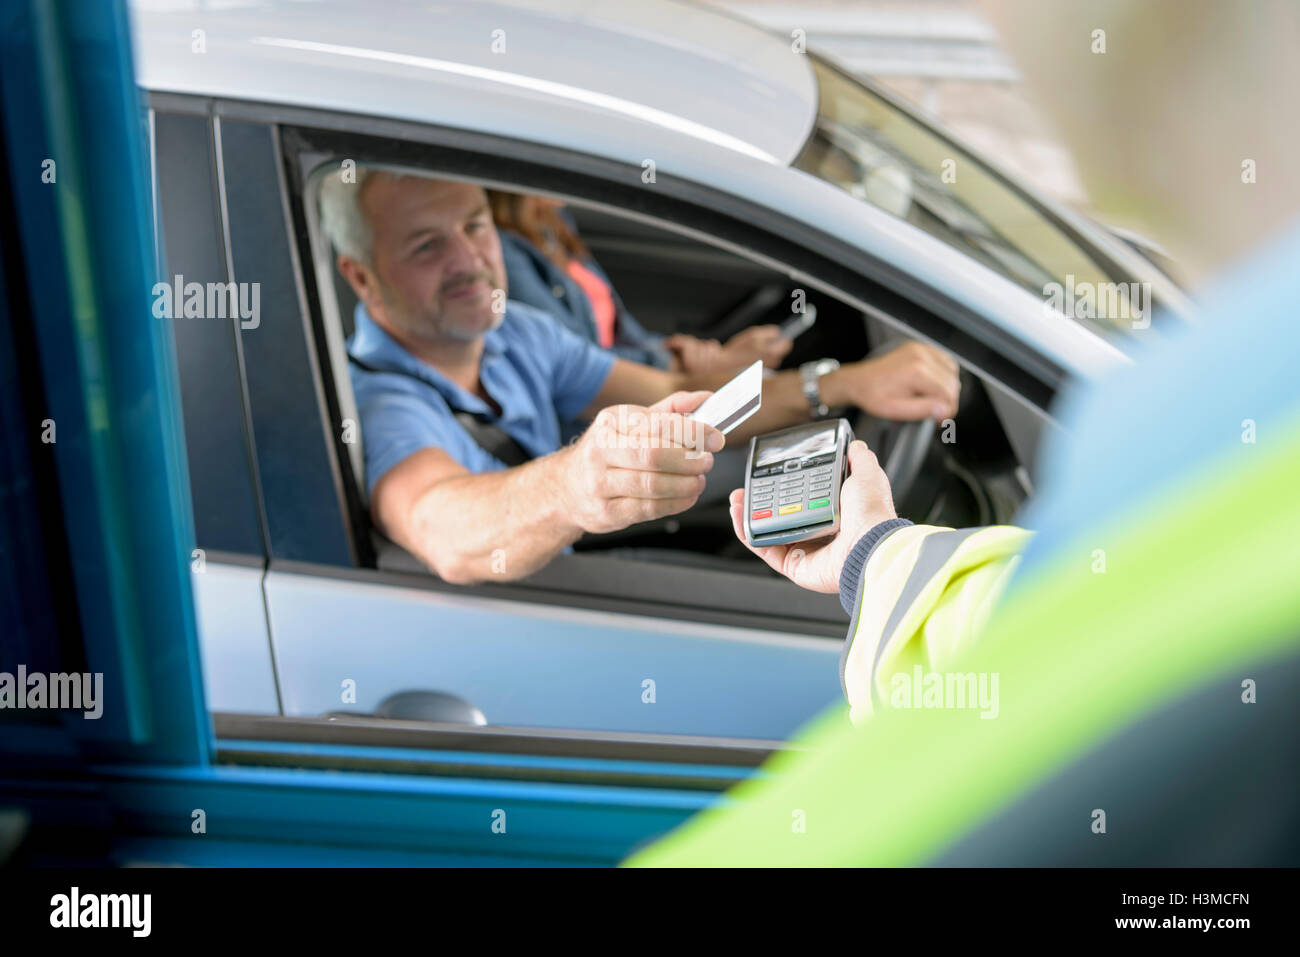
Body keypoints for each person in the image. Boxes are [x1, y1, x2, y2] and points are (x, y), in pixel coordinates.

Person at [627, 0, 1300, 866]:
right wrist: (874, 553)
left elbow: (1032, 702)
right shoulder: (1199, 431)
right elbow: (1058, 620)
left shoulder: (1183, 443)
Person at [318, 170, 961, 584]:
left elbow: (677, 403)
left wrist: (841, 384)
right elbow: (442, 527)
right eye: (427, 246)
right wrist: (577, 482)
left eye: (474, 226)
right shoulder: (381, 403)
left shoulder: (513, 332)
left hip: (567, 575)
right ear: (362, 277)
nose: (470, 261)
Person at [489, 190, 791, 377]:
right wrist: (696, 363)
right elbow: (579, 361)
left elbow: (621, 331)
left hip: (635, 375)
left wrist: (682, 352)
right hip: (604, 402)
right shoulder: (506, 252)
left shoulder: (553, 222)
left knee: (768, 387)